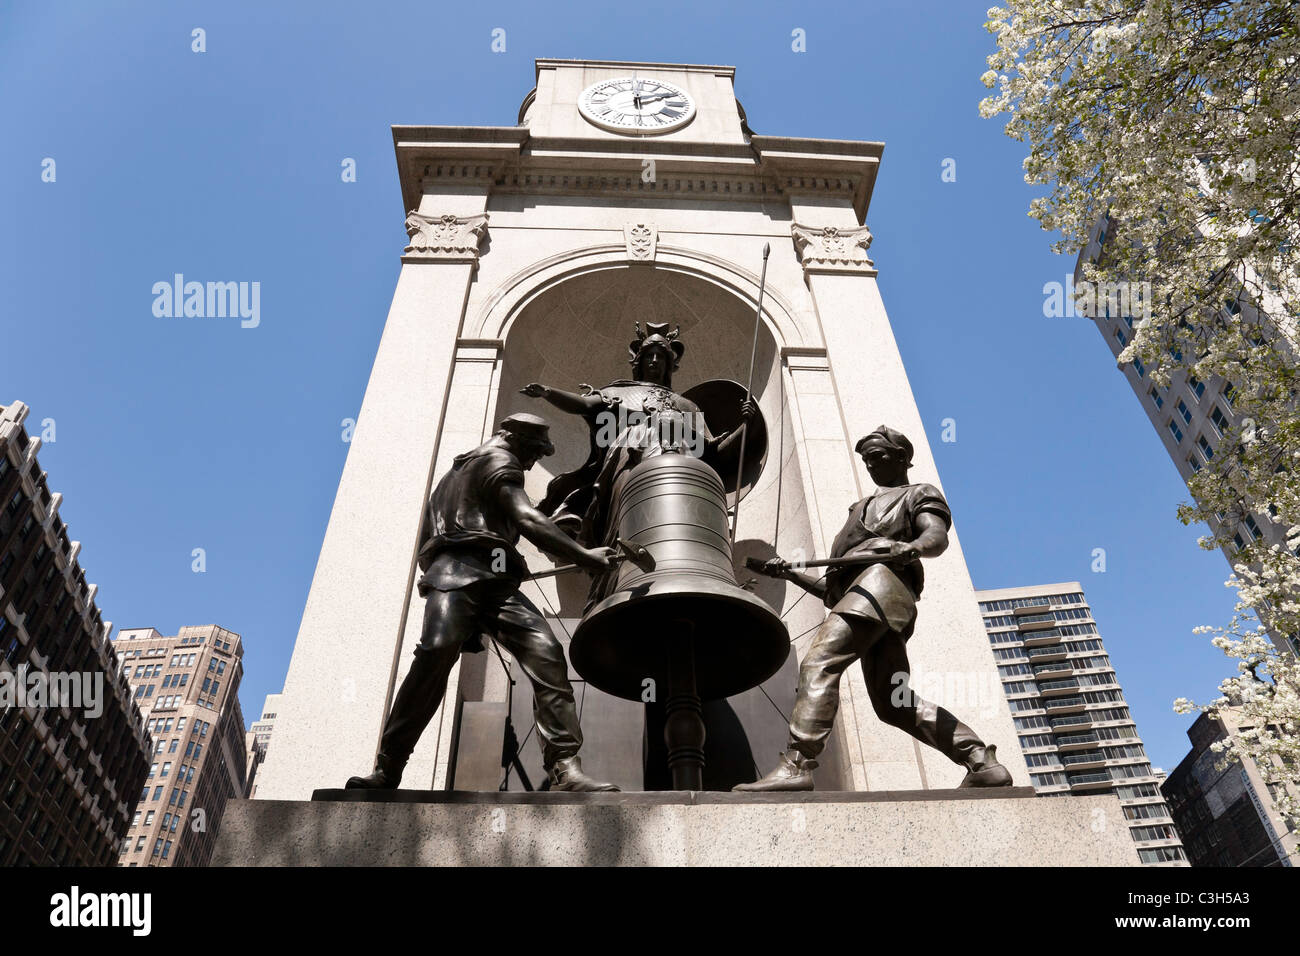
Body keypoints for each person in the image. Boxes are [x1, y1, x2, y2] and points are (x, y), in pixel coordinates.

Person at [345, 413, 619, 792]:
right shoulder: (499, 461)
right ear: (516, 440)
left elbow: (432, 540)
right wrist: (584, 556)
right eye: (534, 454)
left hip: (492, 581)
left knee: (546, 652)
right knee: (435, 655)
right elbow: (527, 519)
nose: (531, 464)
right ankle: (388, 768)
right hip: (461, 574)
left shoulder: (455, 473)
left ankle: (565, 765)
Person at [735, 425, 1013, 792]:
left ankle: (798, 762)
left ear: (902, 458)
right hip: (868, 597)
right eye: (866, 460)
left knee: (819, 663)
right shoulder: (860, 510)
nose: (871, 465)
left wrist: (912, 547)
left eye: (879, 457)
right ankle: (980, 760)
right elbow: (835, 591)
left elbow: (936, 537)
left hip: (881, 590)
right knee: (894, 704)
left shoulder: (918, 493)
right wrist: (789, 573)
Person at [521, 321, 754, 605]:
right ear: (639, 361)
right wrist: (548, 392)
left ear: (670, 365)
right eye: (649, 355)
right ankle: (616, 577)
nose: (654, 361)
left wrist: (746, 425)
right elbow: (585, 405)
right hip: (629, 462)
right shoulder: (620, 392)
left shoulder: (686, 406)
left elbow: (712, 453)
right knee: (629, 518)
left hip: (679, 470)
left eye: (661, 357)